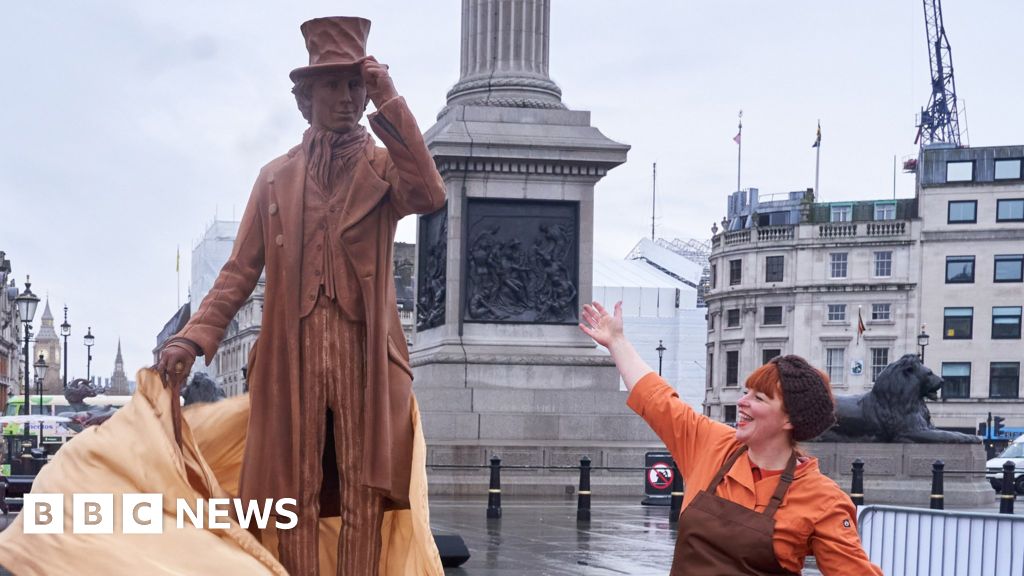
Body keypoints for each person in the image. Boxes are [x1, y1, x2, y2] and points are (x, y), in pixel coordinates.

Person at [156, 16, 446, 576]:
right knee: (292, 489)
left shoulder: (384, 165)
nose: (347, 98)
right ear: (304, 98)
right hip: (293, 349)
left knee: (365, 487)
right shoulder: (274, 179)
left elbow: (429, 192)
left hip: (366, 352)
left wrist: (391, 99)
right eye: (332, 86)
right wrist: (193, 338)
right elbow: (239, 271)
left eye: (356, 85)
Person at [579, 301, 882, 575]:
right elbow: (658, 401)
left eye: (759, 398)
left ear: (790, 419)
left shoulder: (822, 499)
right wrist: (617, 342)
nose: (742, 402)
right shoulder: (713, 444)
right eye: (745, 392)